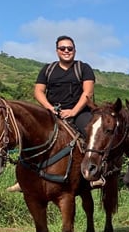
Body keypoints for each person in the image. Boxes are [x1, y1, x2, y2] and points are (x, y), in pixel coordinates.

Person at [8, 35, 96, 192]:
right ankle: (23, 179)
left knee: (92, 133)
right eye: (63, 48)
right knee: (31, 135)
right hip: (52, 111)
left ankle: (94, 174)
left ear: (75, 50)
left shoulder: (83, 68)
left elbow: (88, 92)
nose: (66, 51)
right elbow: (39, 91)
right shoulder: (48, 69)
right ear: (57, 51)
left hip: (79, 111)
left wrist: (73, 111)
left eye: (70, 48)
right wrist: (49, 107)